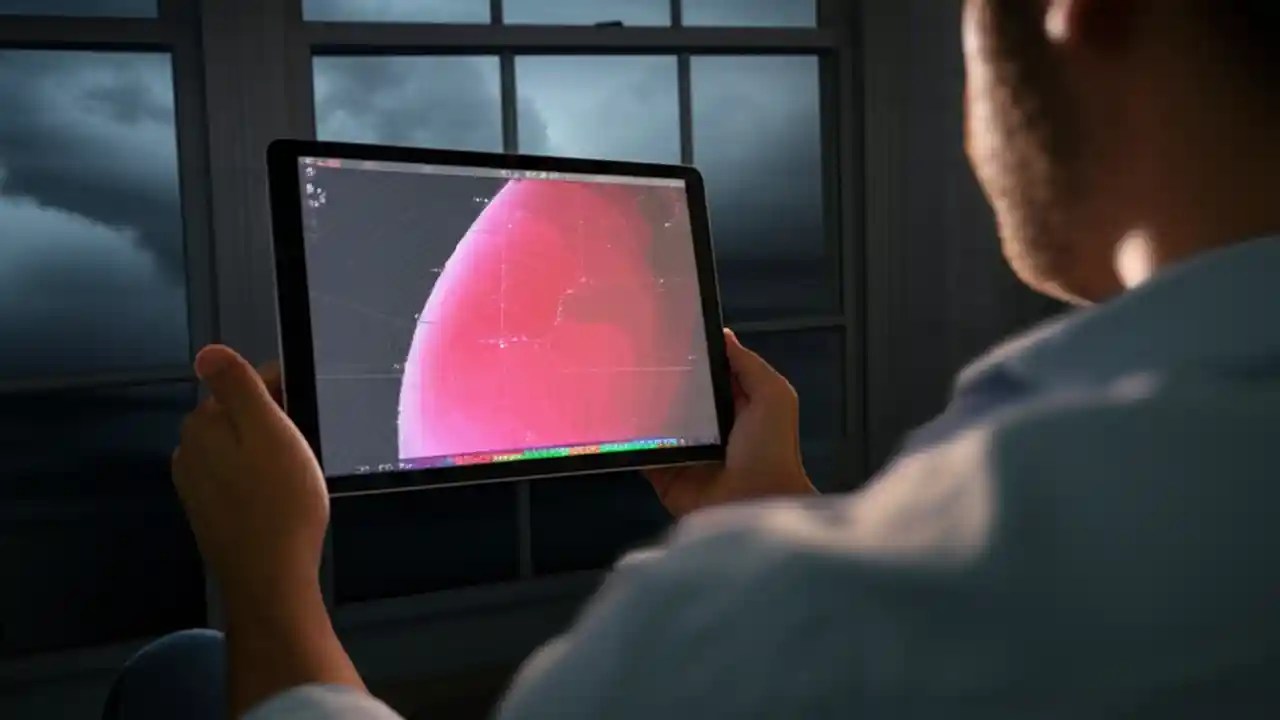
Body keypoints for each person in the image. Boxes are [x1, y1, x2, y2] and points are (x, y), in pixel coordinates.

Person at [107, 0, 1280, 717]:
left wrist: (265, 580)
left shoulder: (748, 638)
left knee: (188, 670)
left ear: (1083, 5)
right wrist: (768, 510)